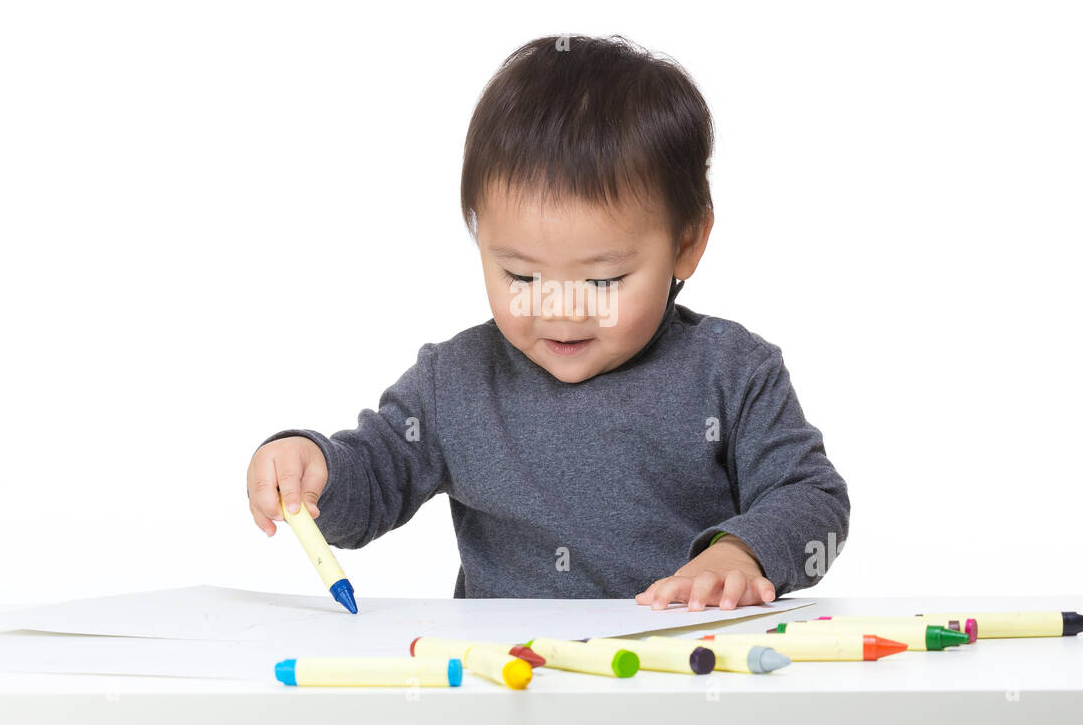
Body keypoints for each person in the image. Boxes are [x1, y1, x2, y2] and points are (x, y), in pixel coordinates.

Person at [246, 34, 850, 610]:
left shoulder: (731, 370)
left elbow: (812, 499)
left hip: (682, 672)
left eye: (603, 280)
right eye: (522, 276)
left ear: (687, 243)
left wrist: (744, 554)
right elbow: (373, 482)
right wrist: (312, 469)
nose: (559, 308)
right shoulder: (455, 383)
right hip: (512, 682)